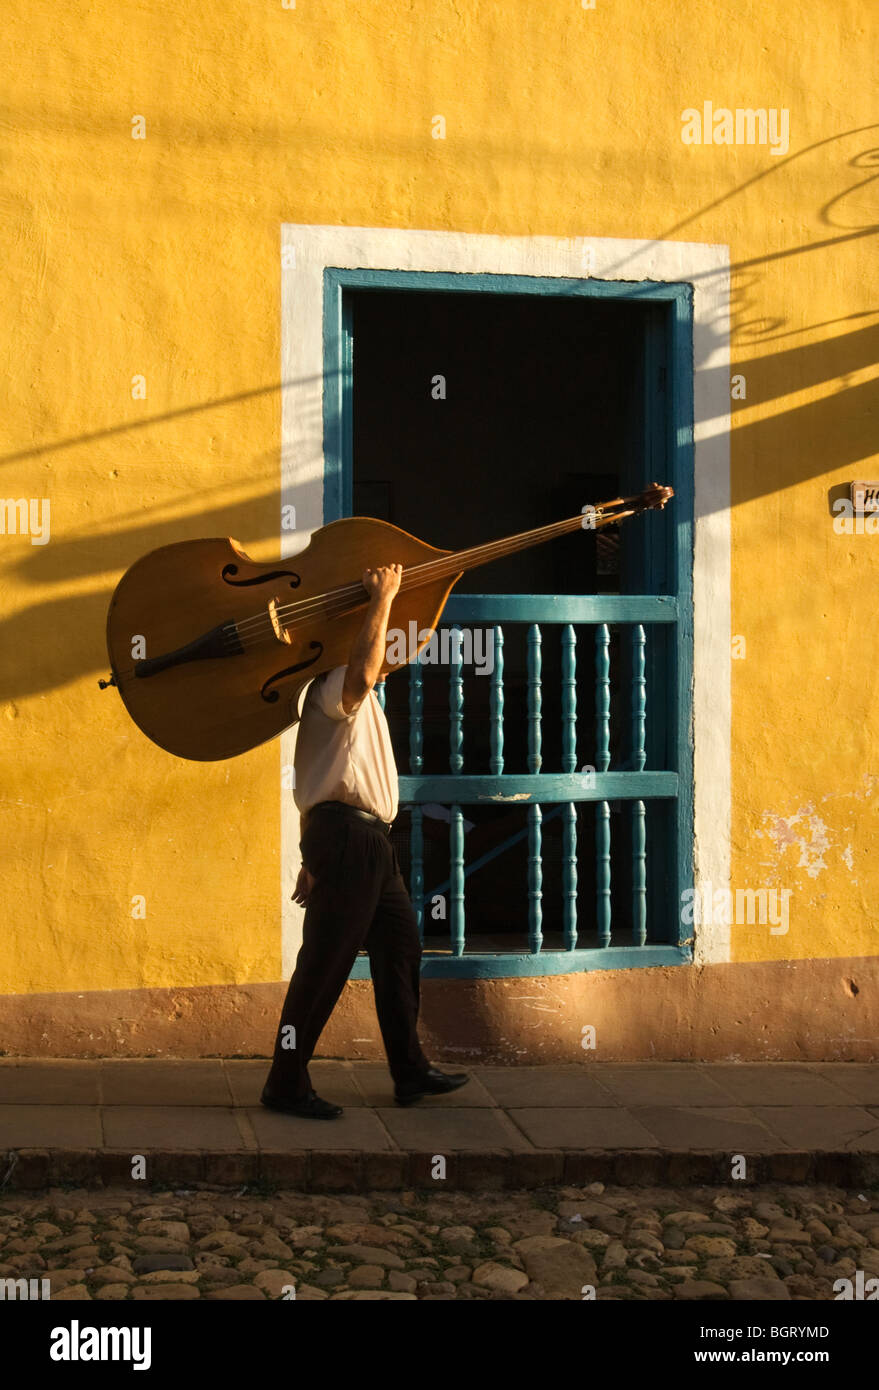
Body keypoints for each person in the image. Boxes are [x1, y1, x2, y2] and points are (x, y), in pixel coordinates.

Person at [261, 561, 470, 1119]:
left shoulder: (356, 699)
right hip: (349, 840)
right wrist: (382, 598)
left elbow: (329, 777)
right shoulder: (335, 683)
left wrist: (314, 858)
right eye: (372, 630)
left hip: (367, 844)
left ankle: (409, 1072)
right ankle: (284, 1082)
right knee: (323, 966)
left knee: (400, 952)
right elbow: (361, 670)